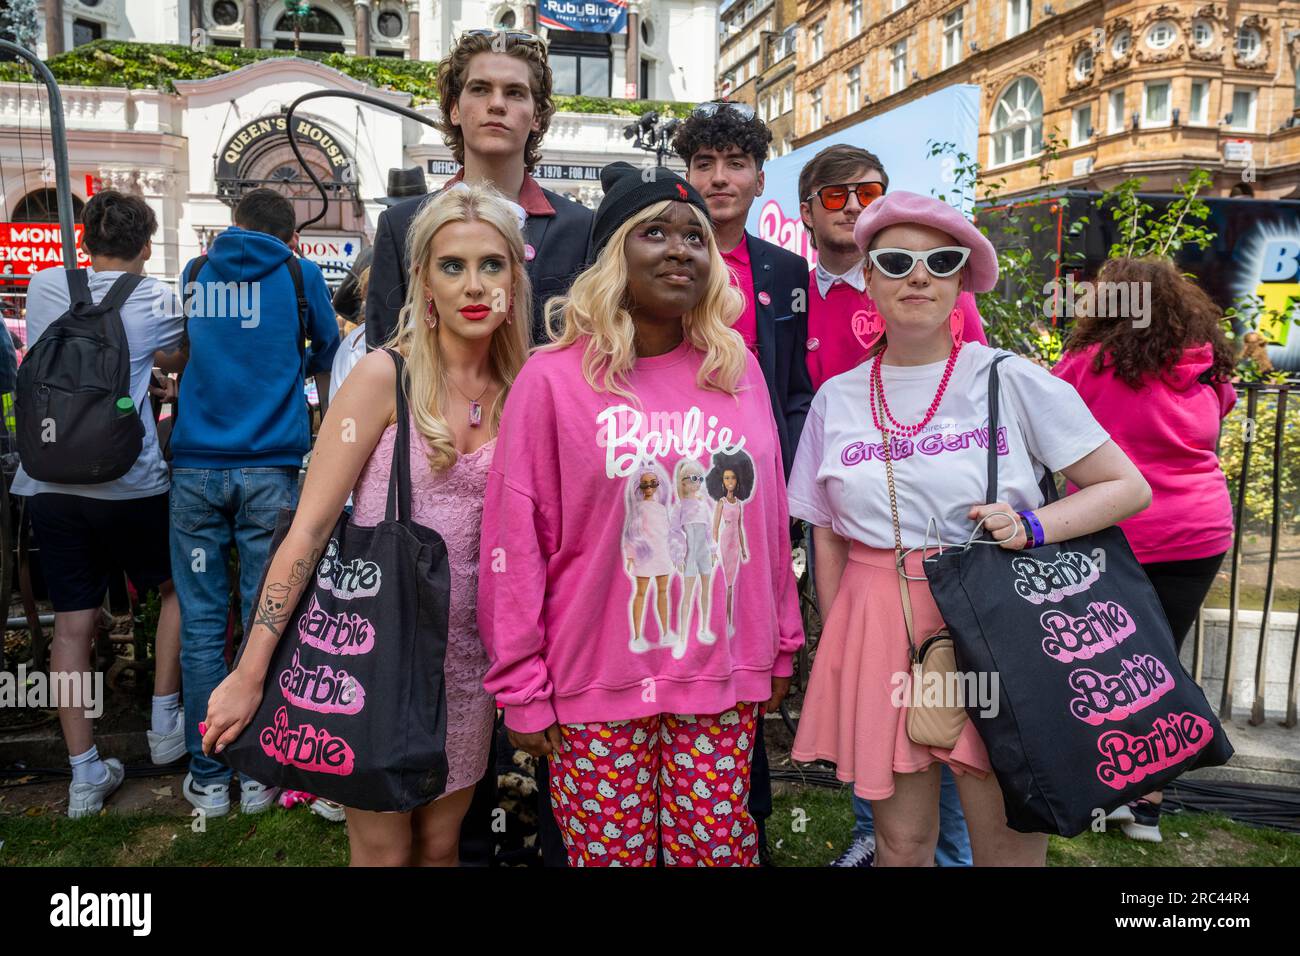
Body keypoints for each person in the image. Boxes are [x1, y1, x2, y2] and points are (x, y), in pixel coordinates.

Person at [787, 191, 1151, 866]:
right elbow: (827, 531)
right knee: (900, 843)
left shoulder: (1010, 378)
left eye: (939, 260)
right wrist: (840, 640)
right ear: (868, 278)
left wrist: (1035, 526)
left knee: (1008, 842)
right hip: (877, 621)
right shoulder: (837, 398)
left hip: (998, 618)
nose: (917, 276)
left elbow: (1126, 486)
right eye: (895, 261)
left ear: (961, 278)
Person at [477, 163, 804, 867]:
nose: (680, 248)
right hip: (592, 678)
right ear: (615, 253)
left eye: (695, 235)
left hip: (720, 671)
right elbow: (514, 540)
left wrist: (781, 638)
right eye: (653, 232)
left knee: (718, 852)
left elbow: (767, 510)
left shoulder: (734, 366)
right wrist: (521, 684)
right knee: (607, 858)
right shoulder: (553, 377)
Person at [201, 183, 531, 865]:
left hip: (469, 662)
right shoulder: (384, 375)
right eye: (452, 265)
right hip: (378, 647)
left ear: (514, 278)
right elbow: (310, 530)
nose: (473, 284)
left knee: (441, 847)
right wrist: (250, 670)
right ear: (422, 280)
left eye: (491, 265)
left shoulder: (526, 384)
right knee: (382, 849)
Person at [797, 143, 984, 867]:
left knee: (966, 738)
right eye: (835, 196)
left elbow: (973, 412)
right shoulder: (797, 287)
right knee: (887, 727)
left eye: (865, 193)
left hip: (956, 560)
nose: (918, 278)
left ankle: (956, 851)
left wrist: (1031, 519)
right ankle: (878, 835)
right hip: (850, 499)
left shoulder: (962, 328)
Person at [12, 190, 186, 817]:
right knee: (174, 590)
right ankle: (166, 723)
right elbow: (177, 353)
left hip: (49, 482)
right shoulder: (159, 297)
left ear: (84, 239)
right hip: (130, 481)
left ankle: (85, 775)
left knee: (72, 626)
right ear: (145, 245)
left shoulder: (43, 284)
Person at [1052, 256, 1236, 844]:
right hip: (1201, 530)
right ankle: (1149, 808)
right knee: (1163, 663)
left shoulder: (1088, 366)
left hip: (1115, 532)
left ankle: (1105, 786)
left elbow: (1041, 420)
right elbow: (1219, 422)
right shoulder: (1207, 367)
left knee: (1101, 666)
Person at [171, 187, 340, 818]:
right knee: (265, 618)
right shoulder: (300, 273)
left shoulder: (196, 272)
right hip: (271, 468)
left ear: (234, 224)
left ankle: (210, 778)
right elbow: (329, 353)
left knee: (202, 622)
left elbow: (187, 348)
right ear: (290, 235)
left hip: (193, 470)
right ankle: (260, 772)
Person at [673, 100, 813, 859]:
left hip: (753, 497)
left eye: (734, 163)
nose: (719, 178)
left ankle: (739, 815)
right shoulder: (655, 253)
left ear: (760, 176)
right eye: (704, 164)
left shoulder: (785, 272)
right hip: (665, 482)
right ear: (686, 175)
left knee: (749, 646)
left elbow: (794, 387)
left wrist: (790, 491)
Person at [366, 29, 593, 350]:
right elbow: (383, 356)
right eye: (480, 89)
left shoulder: (582, 229)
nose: (497, 104)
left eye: (515, 92)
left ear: (537, 117)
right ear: (454, 109)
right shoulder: (401, 225)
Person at [798, 144, 987, 393]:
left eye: (868, 194)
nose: (853, 205)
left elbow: (980, 380)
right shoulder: (791, 296)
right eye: (835, 195)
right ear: (807, 213)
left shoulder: (936, 287)